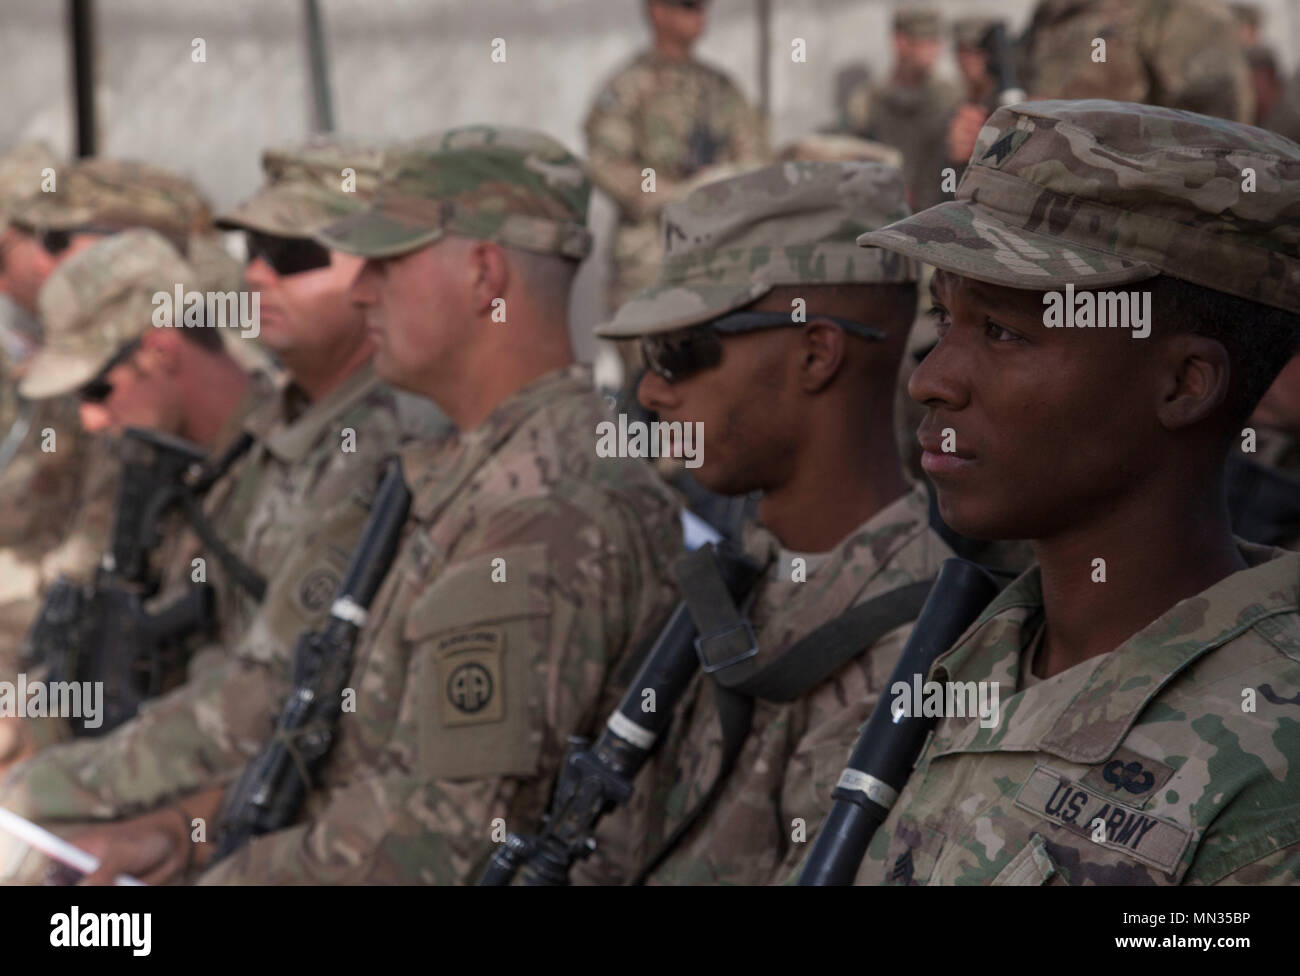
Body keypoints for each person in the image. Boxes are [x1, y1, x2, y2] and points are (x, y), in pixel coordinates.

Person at [17, 127, 682, 886]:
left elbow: (435, 844)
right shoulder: (471, 471)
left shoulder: (547, 511)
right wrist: (185, 831)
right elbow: (355, 755)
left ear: (484, 276)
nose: (364, 289)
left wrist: (218, 873)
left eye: (388, 264)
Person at [846, 99, 1300, 885]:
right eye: (943, 317)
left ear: (1184, 383)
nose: (931, 379)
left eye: (1003, 332)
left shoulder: (1270, 762)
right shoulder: (968, 659)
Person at [0, 138, 452, 875]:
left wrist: (44, 787)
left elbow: (266, 692)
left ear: (384, 267)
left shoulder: (387, 448)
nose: (259, 276)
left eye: (295, 254)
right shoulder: (270, 440)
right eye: (256, 251)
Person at [572, 159, 954, 885]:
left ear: (816, 352)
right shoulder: (741, 583)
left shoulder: (919, 653)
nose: (652, 391)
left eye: (681, 352)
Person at [585, 0, 768, 315]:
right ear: (657, 11)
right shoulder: (629, 86)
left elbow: (756, 161)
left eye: (703, 7)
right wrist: (669, 193)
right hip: (651, 258)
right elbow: (607, 162)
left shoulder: (721, 88)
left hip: (719, 254)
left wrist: (720, 181)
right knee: (647, 356)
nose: (700, 14)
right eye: (688, 6)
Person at [1019, 0, 1253, 123]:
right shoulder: (1052, 13)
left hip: (1143, 200)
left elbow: (1221, 136)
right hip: (1052, 194)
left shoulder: (1187, 13)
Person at [842, 8, 960, 213]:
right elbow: (854, 159)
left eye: (935, 42)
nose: (933, 51)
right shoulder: (868, 99)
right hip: (881, 210)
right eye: (924, 42)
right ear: (900, 42)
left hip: (936, 209)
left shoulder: (951, 97)